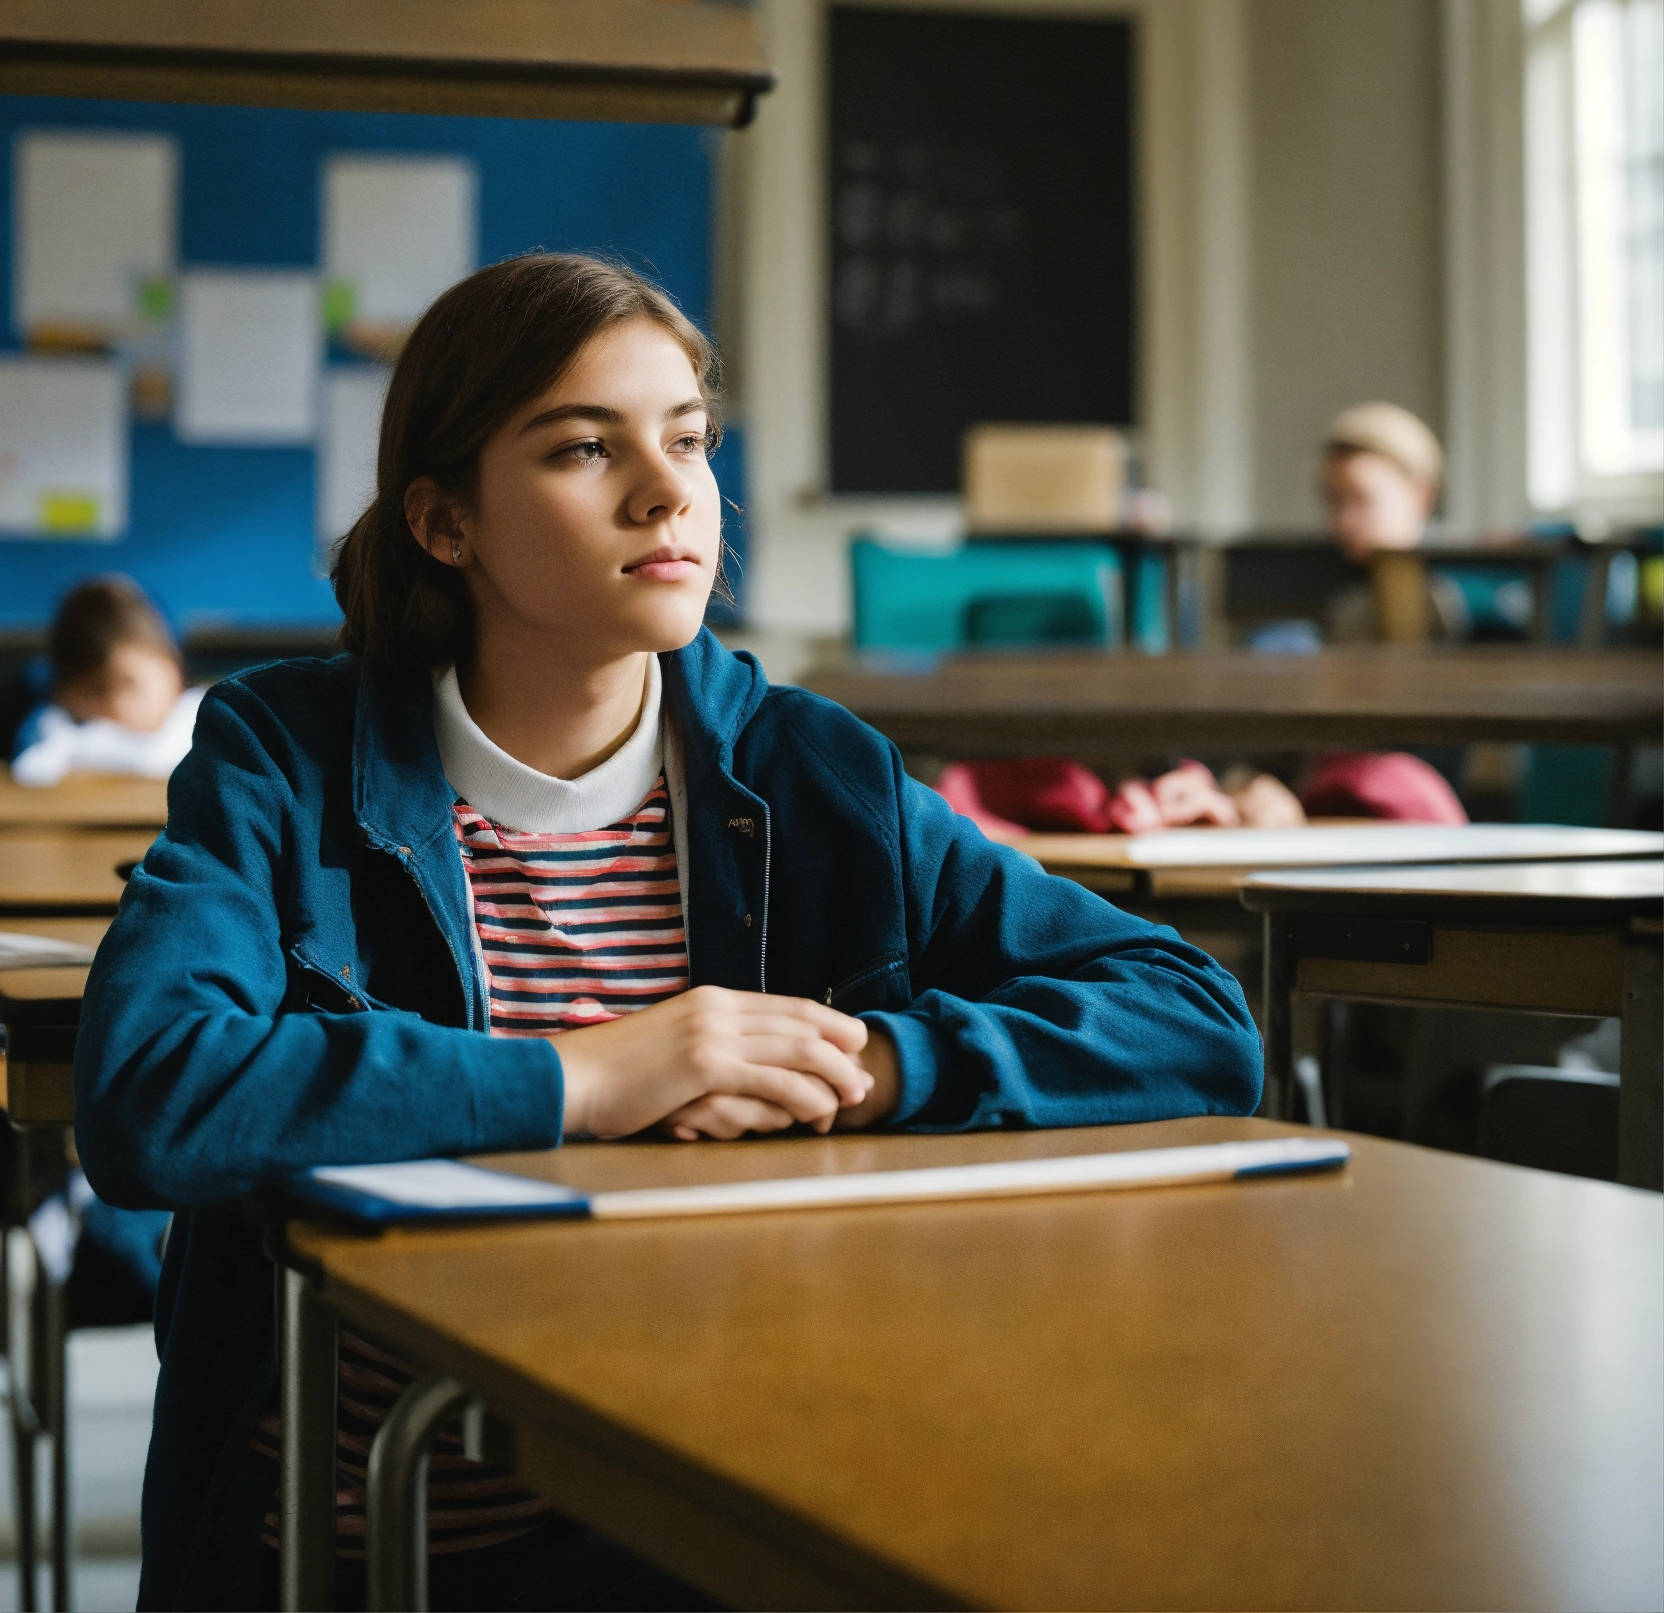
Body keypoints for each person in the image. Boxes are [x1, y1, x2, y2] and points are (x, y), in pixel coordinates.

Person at [73, 254, 1260, 1613]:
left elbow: (1192, 1018)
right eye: (585, 447)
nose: (667, 491)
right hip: (352, 1551)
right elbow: (147, 1093)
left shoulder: (812, 769)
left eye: (687, 439)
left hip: (710, 1520)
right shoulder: (282, 753)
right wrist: (589, 1078)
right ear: (446, 524)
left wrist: (869, 1065)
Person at [10, 577, 204, 786]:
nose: (118, 705)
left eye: (129, 684)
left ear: (173, 670)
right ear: (63, 695)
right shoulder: (54, 732)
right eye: (97, 691)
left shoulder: (206, 721)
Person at [1319, 402, 1465, 641]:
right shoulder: (1344, 600)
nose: (1344, 520)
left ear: (1421, 496)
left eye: (1362, 500)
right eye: (1333, 501)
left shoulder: (1458, 594)